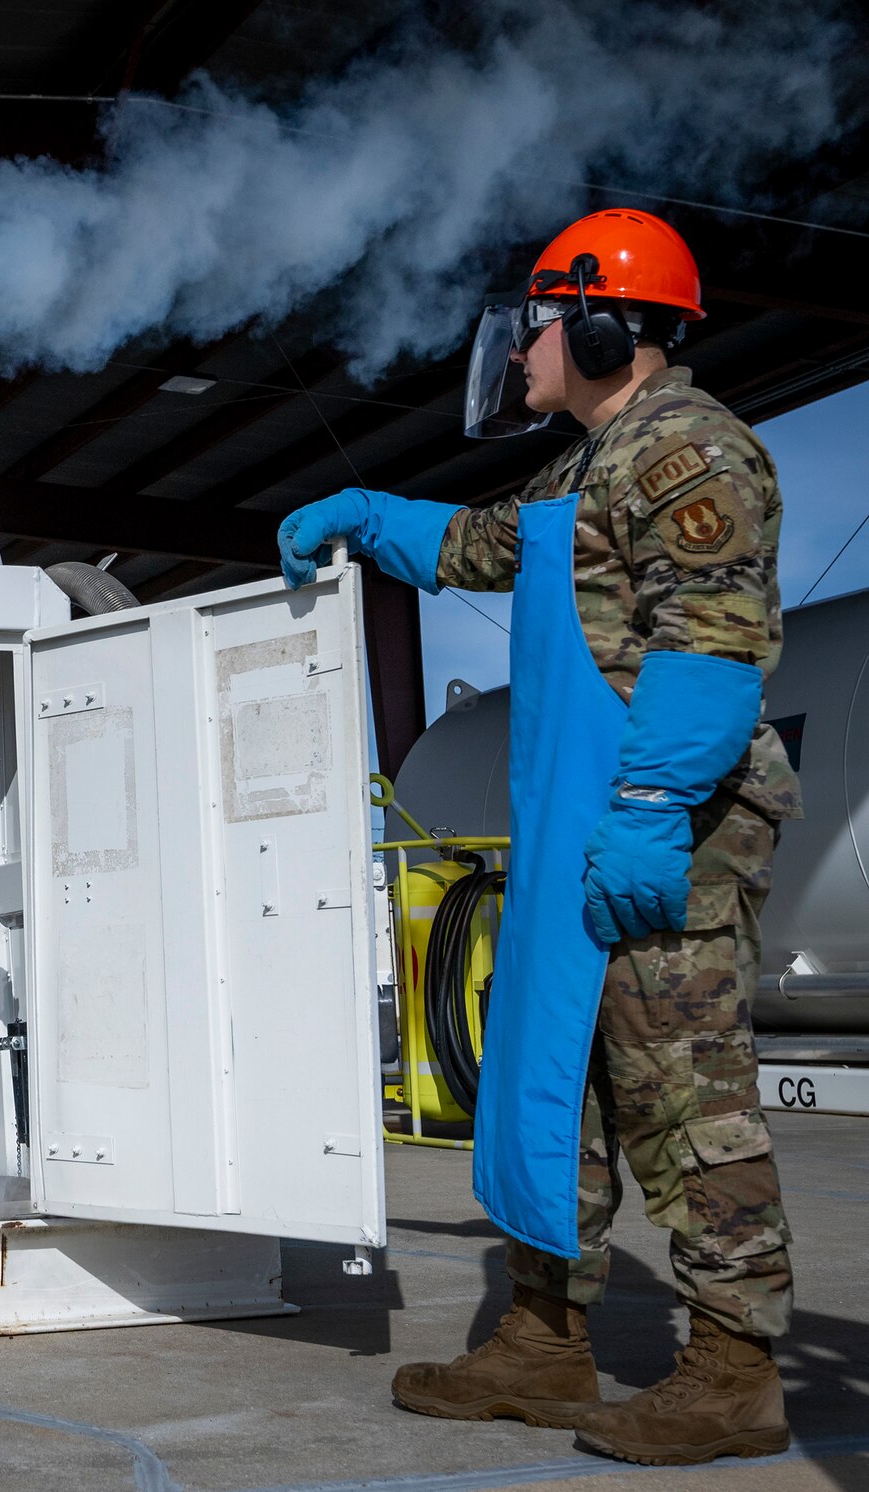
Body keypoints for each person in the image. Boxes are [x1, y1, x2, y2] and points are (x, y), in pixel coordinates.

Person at [278, 210, 797, 1467]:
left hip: (658, 830)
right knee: (550, 1081)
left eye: (536, 327)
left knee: (681, 1092)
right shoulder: (586, 466)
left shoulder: (686, 450)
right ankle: (541, 1342)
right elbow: (473, 545)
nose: (519, 355)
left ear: (603, 327)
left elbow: (707, 649)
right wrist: (361, 513)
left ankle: (731, 1370)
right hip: (585, 823)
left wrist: (647, 811)